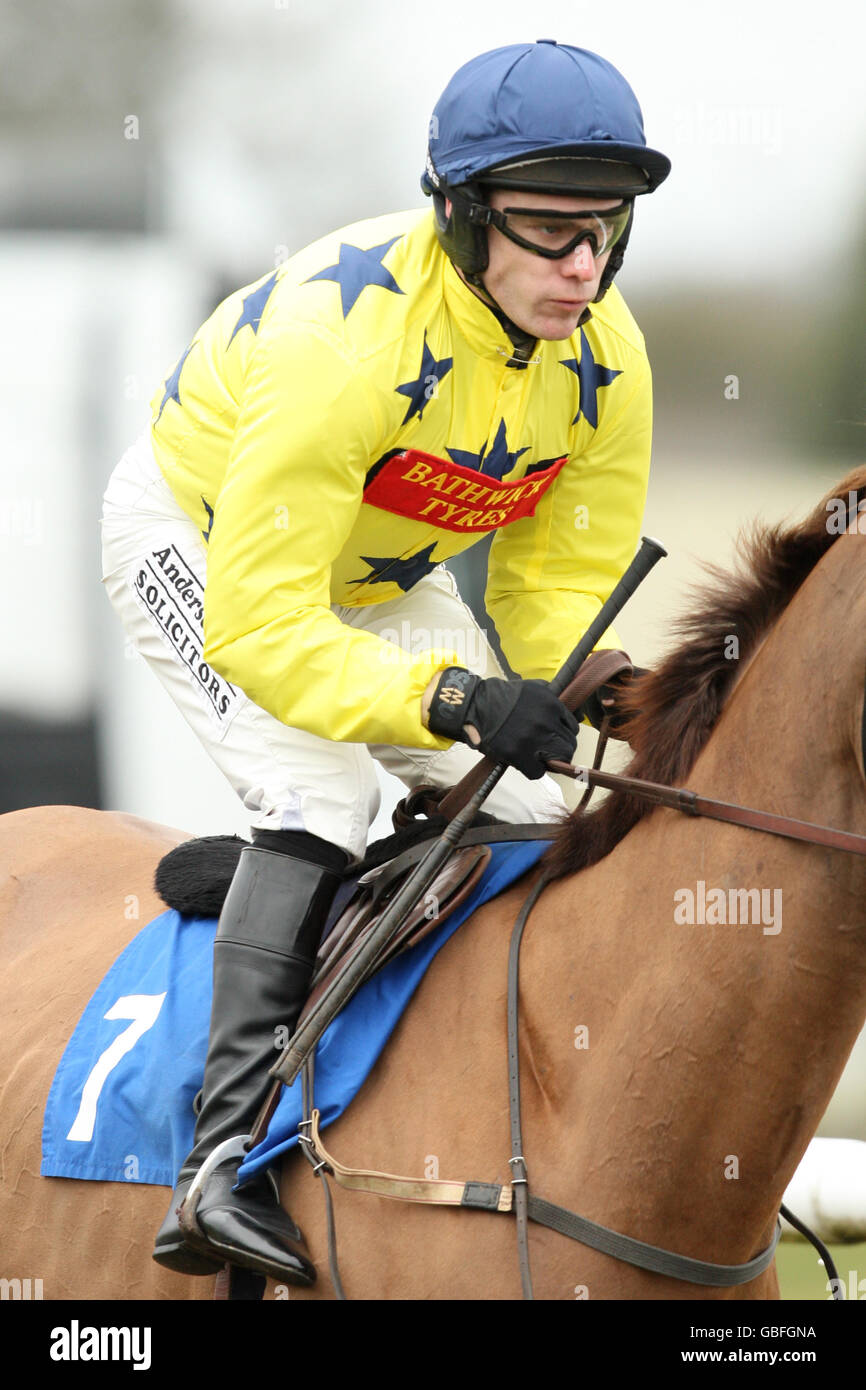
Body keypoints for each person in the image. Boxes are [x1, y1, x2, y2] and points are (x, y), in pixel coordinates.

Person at [100, 38, 670, 1284]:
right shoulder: (336, 346)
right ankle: (219, 1155)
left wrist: (584, 683)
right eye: (547, 233)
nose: (584, 271)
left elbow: (550, 582)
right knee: (322, 790)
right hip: (202, 553)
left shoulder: (605, 357)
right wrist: (457, 695)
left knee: (532, 804)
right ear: (460, 216)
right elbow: (258, 628)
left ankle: (332, 949)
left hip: (368, 584)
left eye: (606, 232)